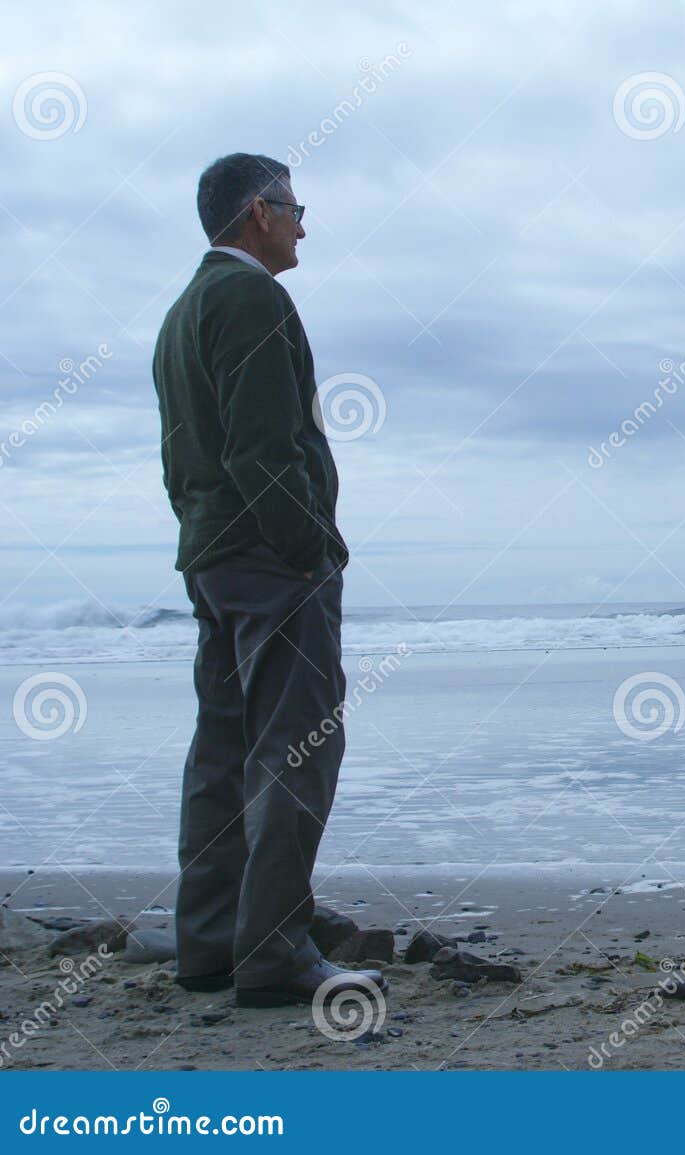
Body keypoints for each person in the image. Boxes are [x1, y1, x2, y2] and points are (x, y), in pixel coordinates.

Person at [151, 153, 382, 1008]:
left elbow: (186, 453)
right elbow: (262, 447)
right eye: (293, 207)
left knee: (224, 752)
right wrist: (312, 546)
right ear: (258, 211)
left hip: (212, 558)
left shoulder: (183, 309)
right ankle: (276, 950)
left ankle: (211, 940)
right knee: (298, 747)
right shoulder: (250, 297)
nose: (303, 223)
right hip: (268, 558)